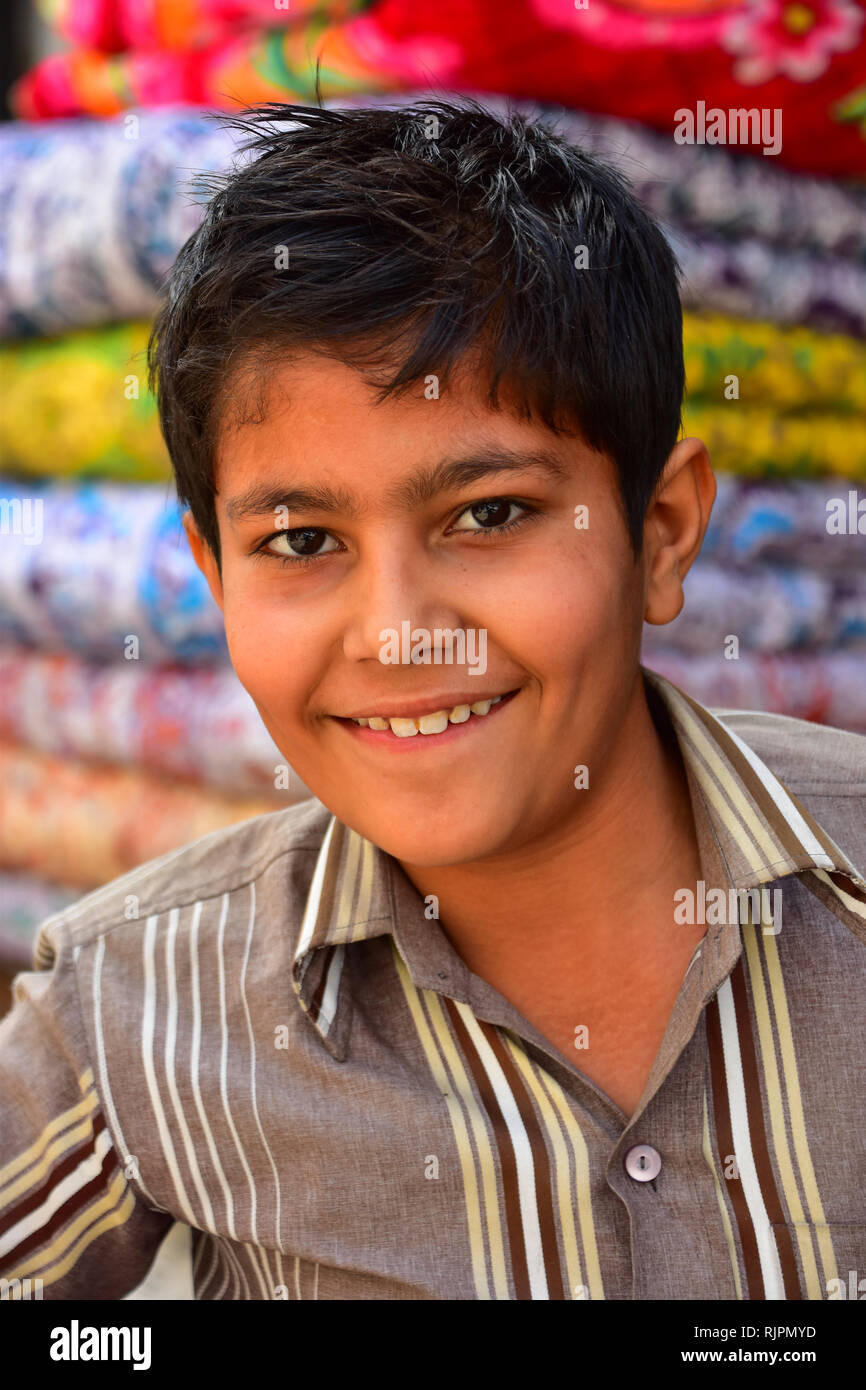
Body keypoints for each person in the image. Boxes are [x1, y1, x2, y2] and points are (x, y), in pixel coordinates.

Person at [1, 97, 864, 1302]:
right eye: (301, 540)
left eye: (490, 514)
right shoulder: (134, 1008)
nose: (397, 630)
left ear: (659, 531)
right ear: (211, 575)